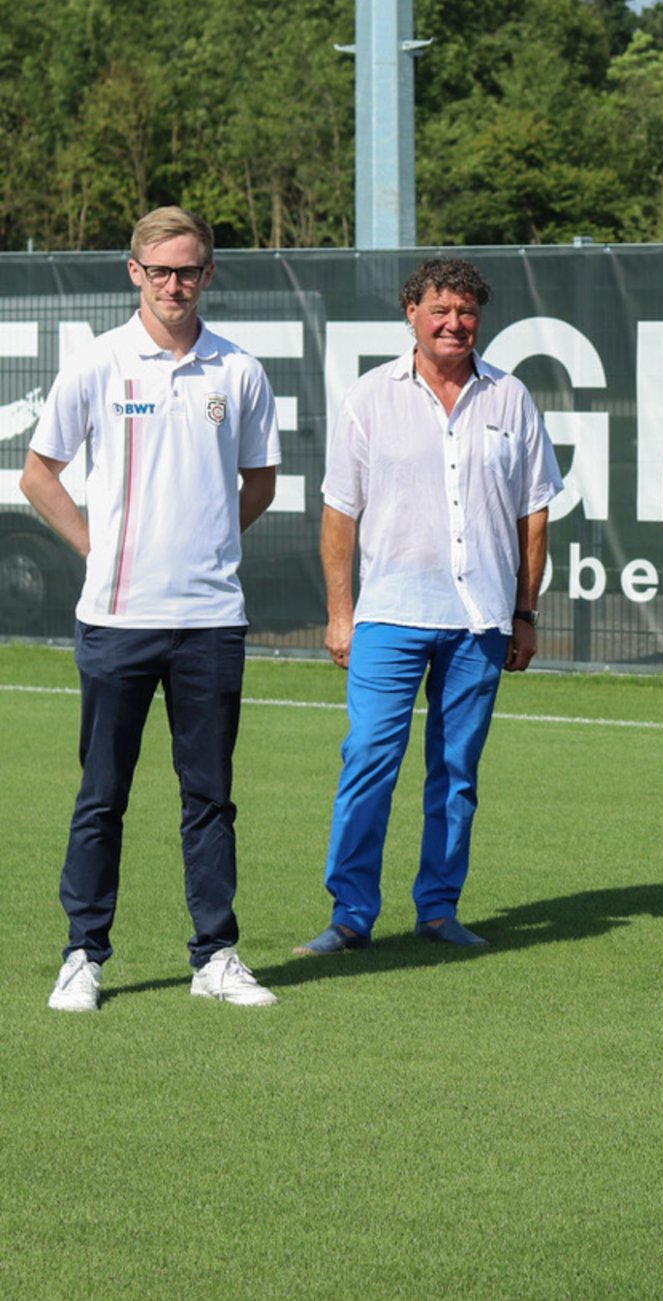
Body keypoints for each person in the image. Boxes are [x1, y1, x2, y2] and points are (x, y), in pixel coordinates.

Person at [21, 206, 281, 1011]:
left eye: (191, 269)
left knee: (209, 796)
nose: (176, 284)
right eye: (161, 270)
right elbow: (39, 474)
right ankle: (83, 954)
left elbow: (259, 482)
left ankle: (216, 955)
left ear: (210, 274)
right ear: (133, 272)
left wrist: (201, 548)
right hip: (116, 618)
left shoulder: (239, 370)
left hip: (210, 621)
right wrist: (103, 551)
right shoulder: (99, 363)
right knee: (103, 794)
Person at [295, 258, 563, 957]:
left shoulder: (511, 398)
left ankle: (438, 909)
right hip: (388, 613)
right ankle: (350, 914)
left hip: (481, 620)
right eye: (440, 309)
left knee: (457, 772)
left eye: (467, 311)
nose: (455, 323)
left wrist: (525, 612)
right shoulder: (367, 397)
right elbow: (338, 514)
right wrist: (340, 611)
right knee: (368, 761)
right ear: (410, 311)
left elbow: (534, 515)